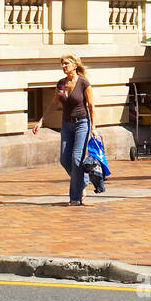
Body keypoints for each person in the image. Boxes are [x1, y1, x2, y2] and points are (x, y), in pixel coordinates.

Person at [32, 55, 98, 204]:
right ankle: (82, 180)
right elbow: (53, 104)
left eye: (66, 64)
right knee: (64, 159)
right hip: (67, 125)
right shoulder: (61, 84)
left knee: (76, 158)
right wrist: (41, 121)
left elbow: (91, 106)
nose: (63, 66)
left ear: (75, 65)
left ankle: (75, 198)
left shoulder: (83, 83)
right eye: (62, 64)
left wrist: (93, 127)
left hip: (82, 123)